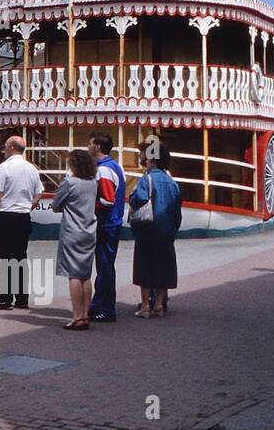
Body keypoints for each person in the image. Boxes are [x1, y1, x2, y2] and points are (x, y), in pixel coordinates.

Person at [0, 135, 43, 310]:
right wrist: (28, 206)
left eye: (4, 146)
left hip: (6, 215)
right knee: (20, 257)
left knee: (5, 258)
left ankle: (5, 298)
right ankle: (22, 298)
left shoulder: (4, 168)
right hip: (23, 216)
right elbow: (39, 193)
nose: (3, 150)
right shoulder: (32, 169)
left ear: (11, 148)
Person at [128, 142, 181, 316]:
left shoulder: (147, 179)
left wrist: (132, 196)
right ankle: (159, 305)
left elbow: (138, 200)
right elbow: (177, 209)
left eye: (142, 153)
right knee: (163, 267)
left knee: (145, 268)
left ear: (151, 157)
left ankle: (145, 307)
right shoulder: (172, 182)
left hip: (147, 230)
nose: (140, 157)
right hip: (167, 231)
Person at [53, 150, 98, 330]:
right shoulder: (93, 182)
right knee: (86, 275)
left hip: (72, 231)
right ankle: (86, 314)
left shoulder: (69, 183)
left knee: (73, 274)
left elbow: (56, 205)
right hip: (89, 230)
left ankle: (77, 316)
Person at [87, 132, 126, 323]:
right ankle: (98, 303)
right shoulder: (115, 166)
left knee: (105, 266)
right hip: (113, 221)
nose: (88, 147)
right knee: (105, 265)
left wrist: (88, 206)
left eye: (90, 144)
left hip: (106, 222)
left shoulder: (103, 170)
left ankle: (106, 307)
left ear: (98, 147)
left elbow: (107, 200)